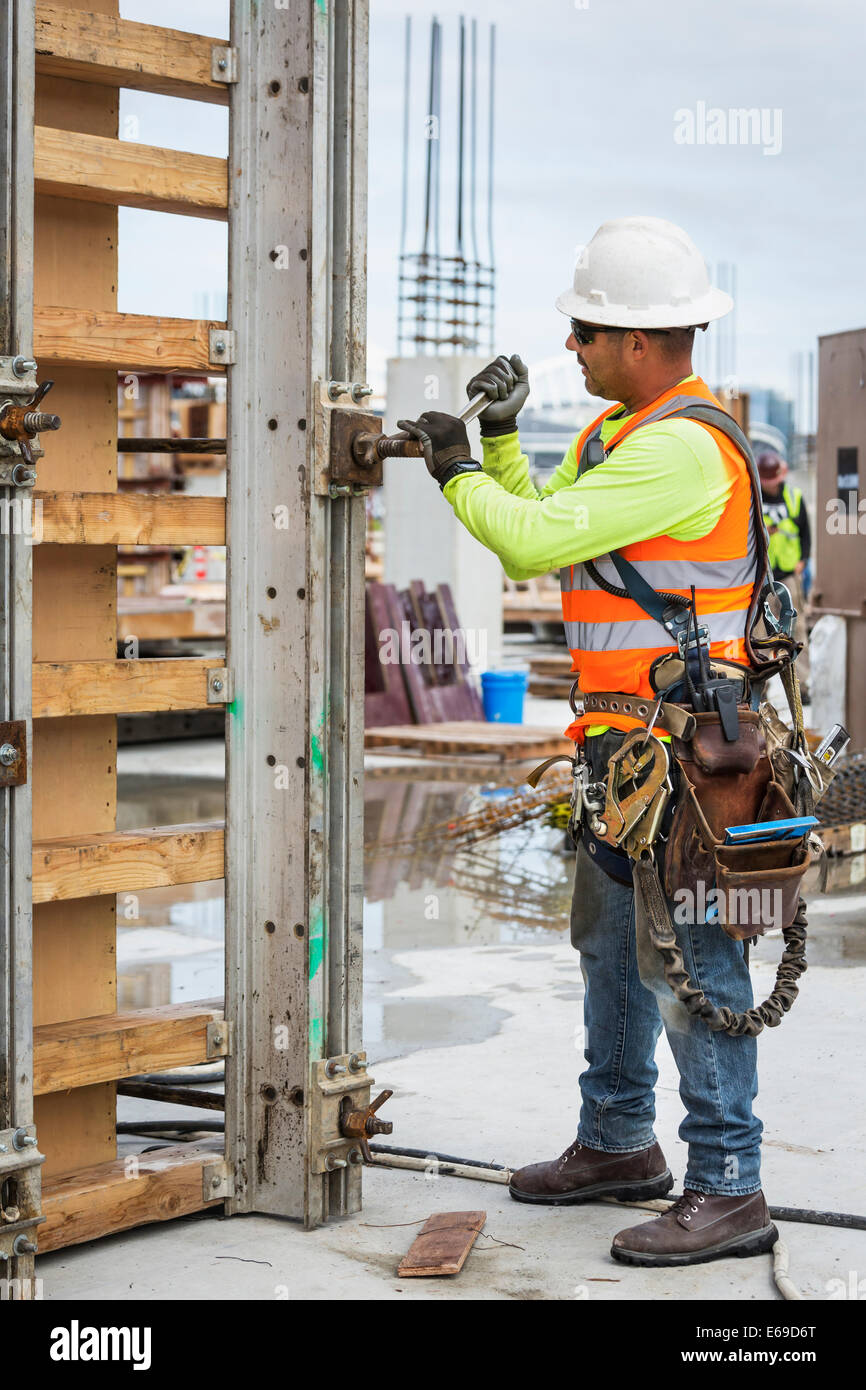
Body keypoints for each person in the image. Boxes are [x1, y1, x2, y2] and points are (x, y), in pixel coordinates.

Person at [398, 216, 782, 1267]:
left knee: (692, 964)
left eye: (582, 331)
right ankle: (618, 1141)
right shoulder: (614, 438)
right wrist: (502, 444)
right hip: (624, 753)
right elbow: (552, 515)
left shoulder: (681, 448)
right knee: (612, 947)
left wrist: (449, 471)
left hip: (689, 756)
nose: (569, 346)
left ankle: (728, 1186)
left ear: (639, 342)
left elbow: (522, 537)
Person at [758, 449, 811, 698]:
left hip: (788, 575)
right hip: (762, 577)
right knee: (759, 634)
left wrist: (803, 559)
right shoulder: (752, 497)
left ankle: (802, 684)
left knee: (796, 632)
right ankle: (760, 685)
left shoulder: (793, 496)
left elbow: (805, 532)